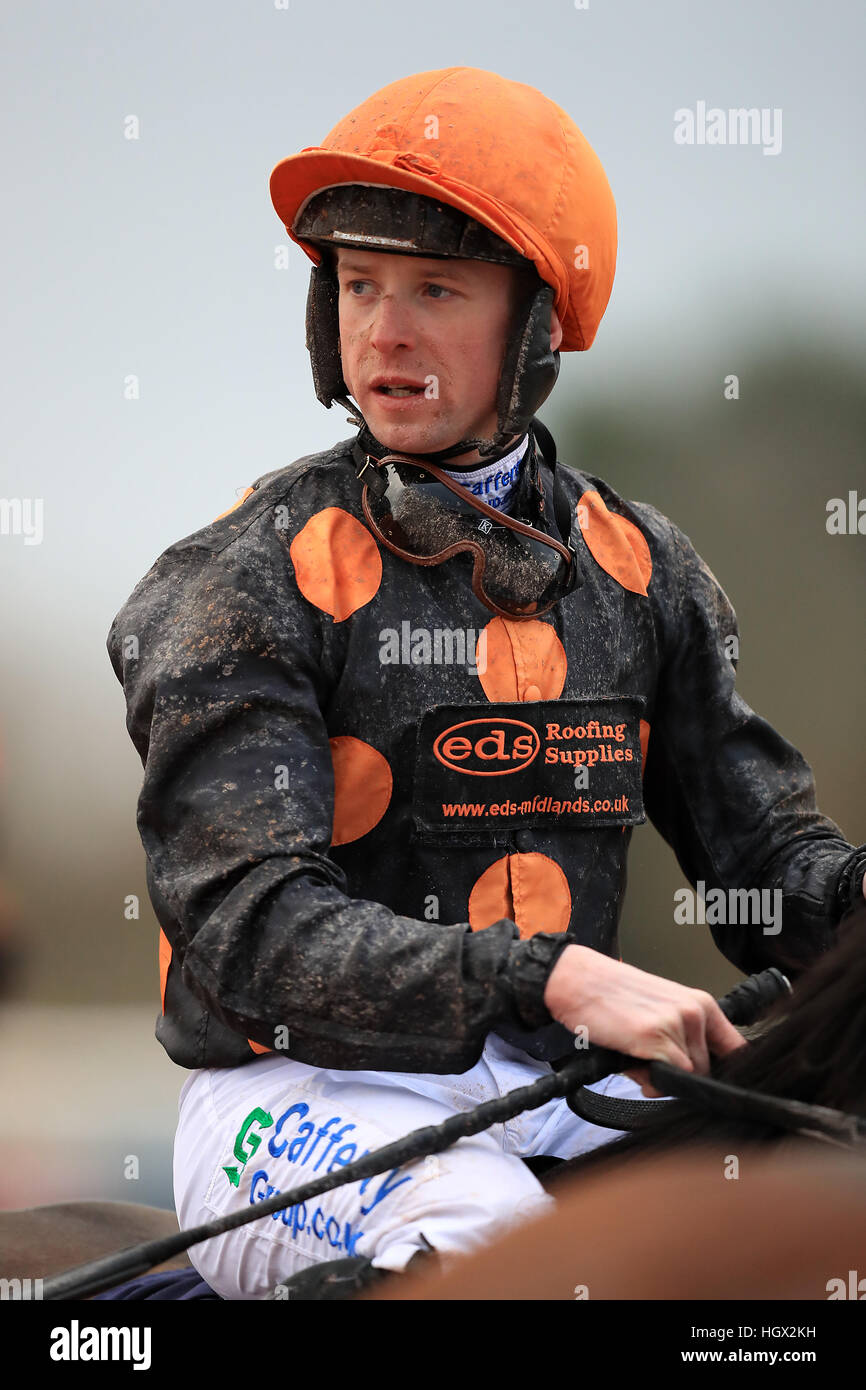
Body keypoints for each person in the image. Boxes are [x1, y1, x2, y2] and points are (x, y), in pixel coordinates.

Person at [107, 66, 866, 1299]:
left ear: (535, 325)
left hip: (563, 1086)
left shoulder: (642, 568)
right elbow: (249, 930)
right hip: (299, 1098)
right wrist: (543, 974)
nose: (384, 333)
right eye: (358, 287)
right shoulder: (235, 580)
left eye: (434, 292)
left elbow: (763, 863)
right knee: (503, 1255)